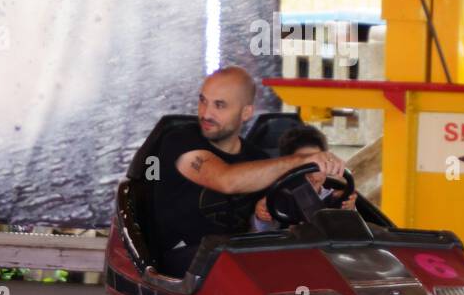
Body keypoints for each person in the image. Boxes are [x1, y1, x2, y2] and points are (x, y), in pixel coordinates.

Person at [150, 66, 345, 277]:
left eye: (220, 105)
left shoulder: (257, 158)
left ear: (246, 112)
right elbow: (226, 180)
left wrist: (336, 203)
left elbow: (287, 214)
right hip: (182, 258)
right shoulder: (179, 141)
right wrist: (301, 160)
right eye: (203, 100)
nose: (206, 113)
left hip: (242, 256)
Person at [252, 124, 357, 230]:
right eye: (304, 166)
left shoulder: (336, 197)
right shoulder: (280, 198)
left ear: (327, 165)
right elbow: (265, 232)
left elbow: (351, 232)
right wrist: (262, 216)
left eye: (316, 165)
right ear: (289, 168)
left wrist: (350, 208)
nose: (310, 173)